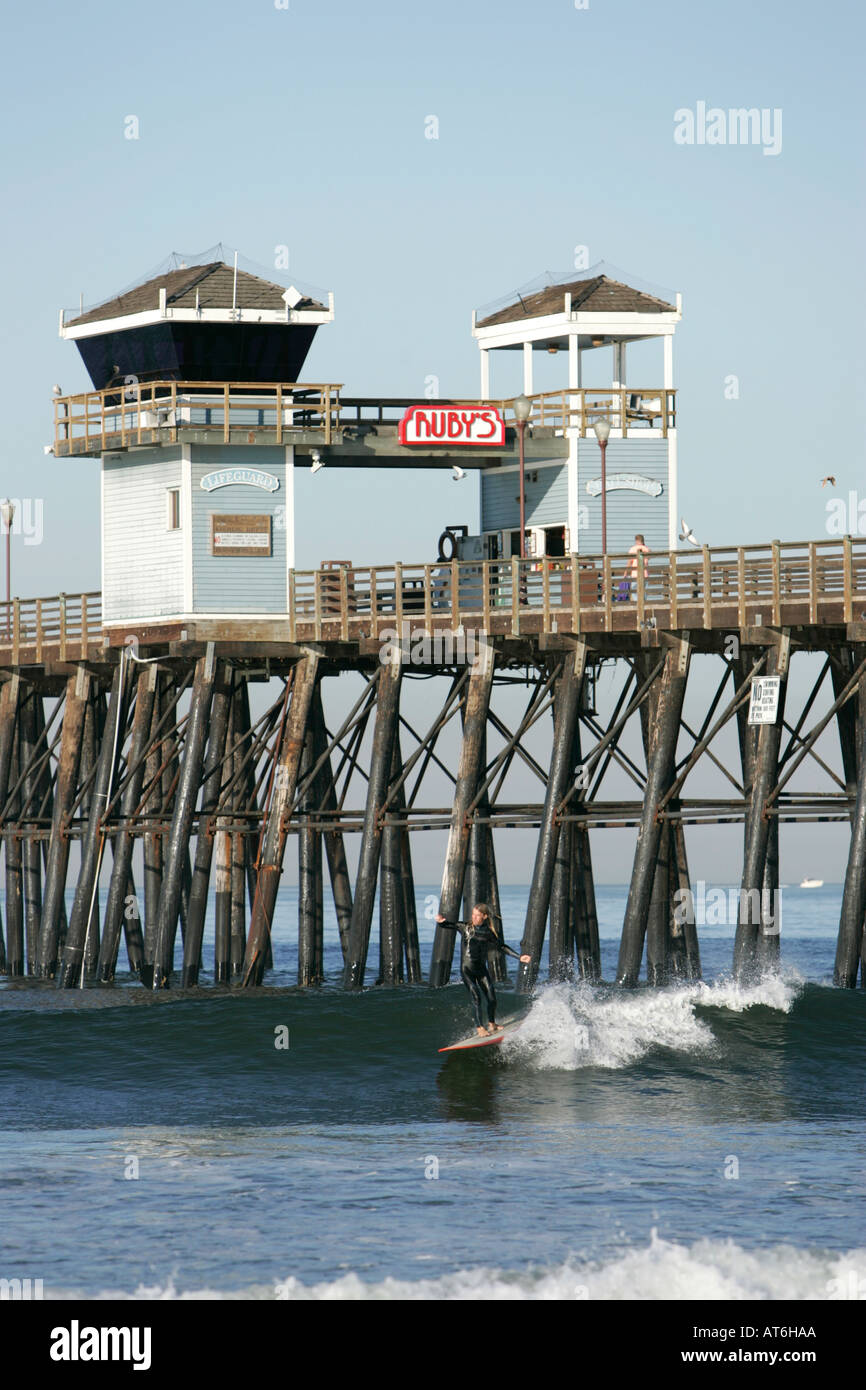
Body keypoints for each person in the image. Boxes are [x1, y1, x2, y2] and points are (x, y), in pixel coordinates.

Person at [435, 904, 531, 1036]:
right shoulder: (465, 927)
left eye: (477, 915)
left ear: (484, 917)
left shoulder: (488, 933)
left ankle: (492, 1024)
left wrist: (519, 957)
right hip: (467, 969)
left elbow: (502, 947)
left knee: (492, 998)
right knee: (476, 997)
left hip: (481, 970)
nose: (473, 917)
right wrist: (441, 922)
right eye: (473, 914)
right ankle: (480, 1027)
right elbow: (448, 925)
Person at [623, 533, 650, 598]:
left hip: (635, 574)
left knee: (634, 590)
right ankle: (644, 605)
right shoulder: (647, 549)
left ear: (637, 540)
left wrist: (625, 572)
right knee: (644, 591)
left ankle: (638, 604)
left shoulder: (633, 549)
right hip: (645, 574)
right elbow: (648, 558)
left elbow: (629, 562)